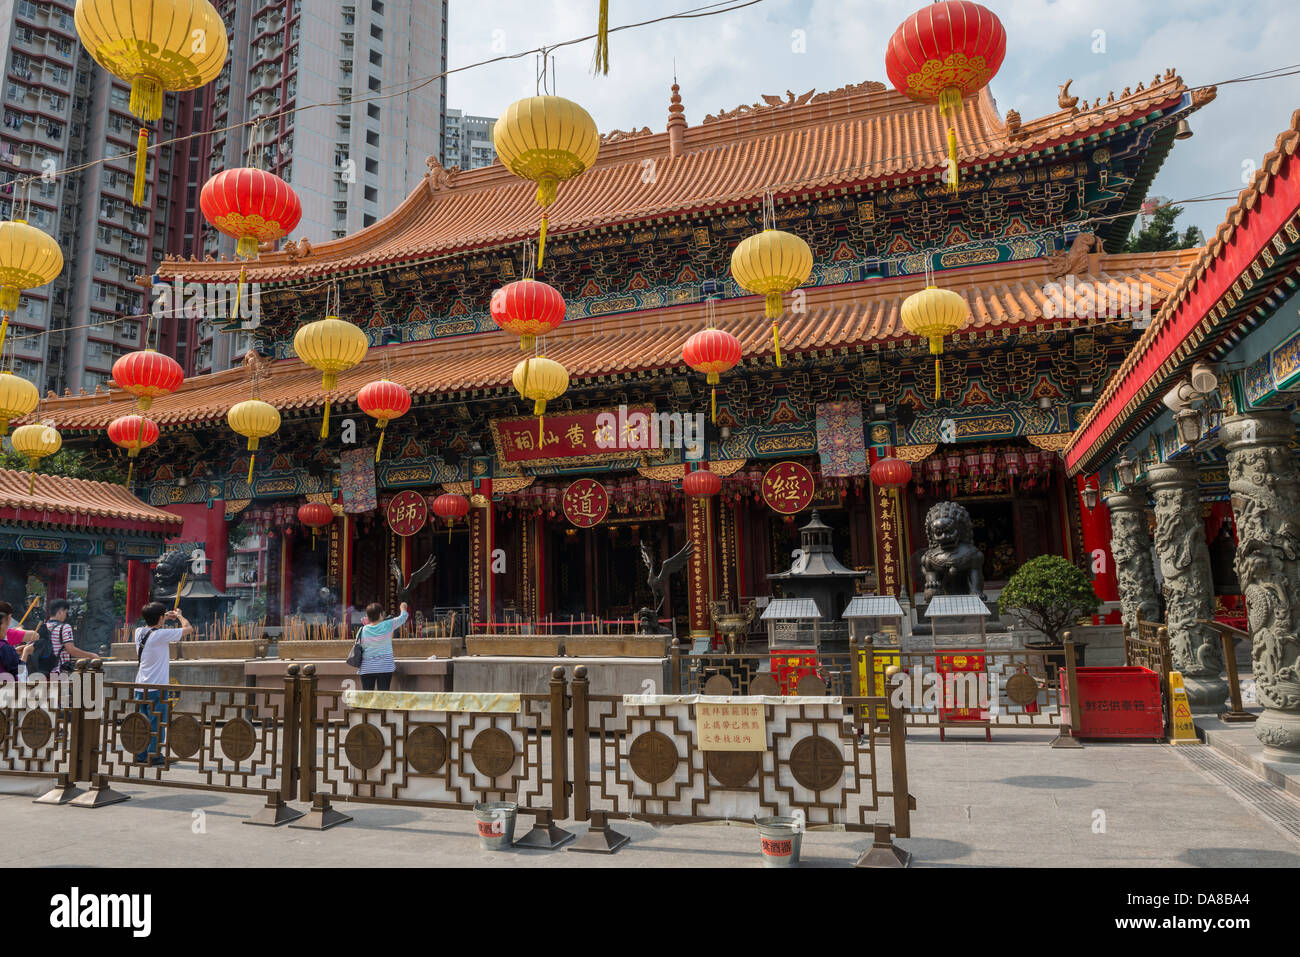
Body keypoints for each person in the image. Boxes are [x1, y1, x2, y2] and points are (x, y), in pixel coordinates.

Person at [133, 602, 193, 766]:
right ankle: (154, 754)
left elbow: (153, 622)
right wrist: (179, 615)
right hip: (156, 687)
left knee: (142, 721)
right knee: (156, 722)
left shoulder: (139, 632)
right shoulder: (160, 635)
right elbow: (188, 629)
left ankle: (140, 754)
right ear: (160, 618)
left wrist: (164, 616)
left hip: (140, 685)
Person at [354, 601, 408, 691]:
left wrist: (367, 622)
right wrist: (403, 607)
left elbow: (359, 644)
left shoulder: (362, 630)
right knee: (383, 697)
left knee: (367, 698)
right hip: (384, 667)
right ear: (380, 614)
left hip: (367, 668)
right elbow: (403, 617)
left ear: (368, 616)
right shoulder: (387, 625)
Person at [43, 599, 94, 675]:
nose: (66, 616)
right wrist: (91, 655)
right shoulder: (64, 627)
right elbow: (71, 649)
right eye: (66, 613)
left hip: (44, 671)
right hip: (59, 672)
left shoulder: (43, 627)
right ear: (60, 612)